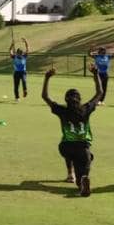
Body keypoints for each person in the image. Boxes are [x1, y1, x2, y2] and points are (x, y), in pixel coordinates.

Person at [41, 65, 103, 197]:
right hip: (83, 148)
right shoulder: (86, 109)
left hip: (66, 147)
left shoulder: (62, 110)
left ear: (66, 100)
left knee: (67, 146)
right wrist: (95, 74)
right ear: (79, 99)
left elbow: (45, 97)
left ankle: (71, 174)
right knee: (85, 165)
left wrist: (47, 78)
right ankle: (82, 180)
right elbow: (100, 93)